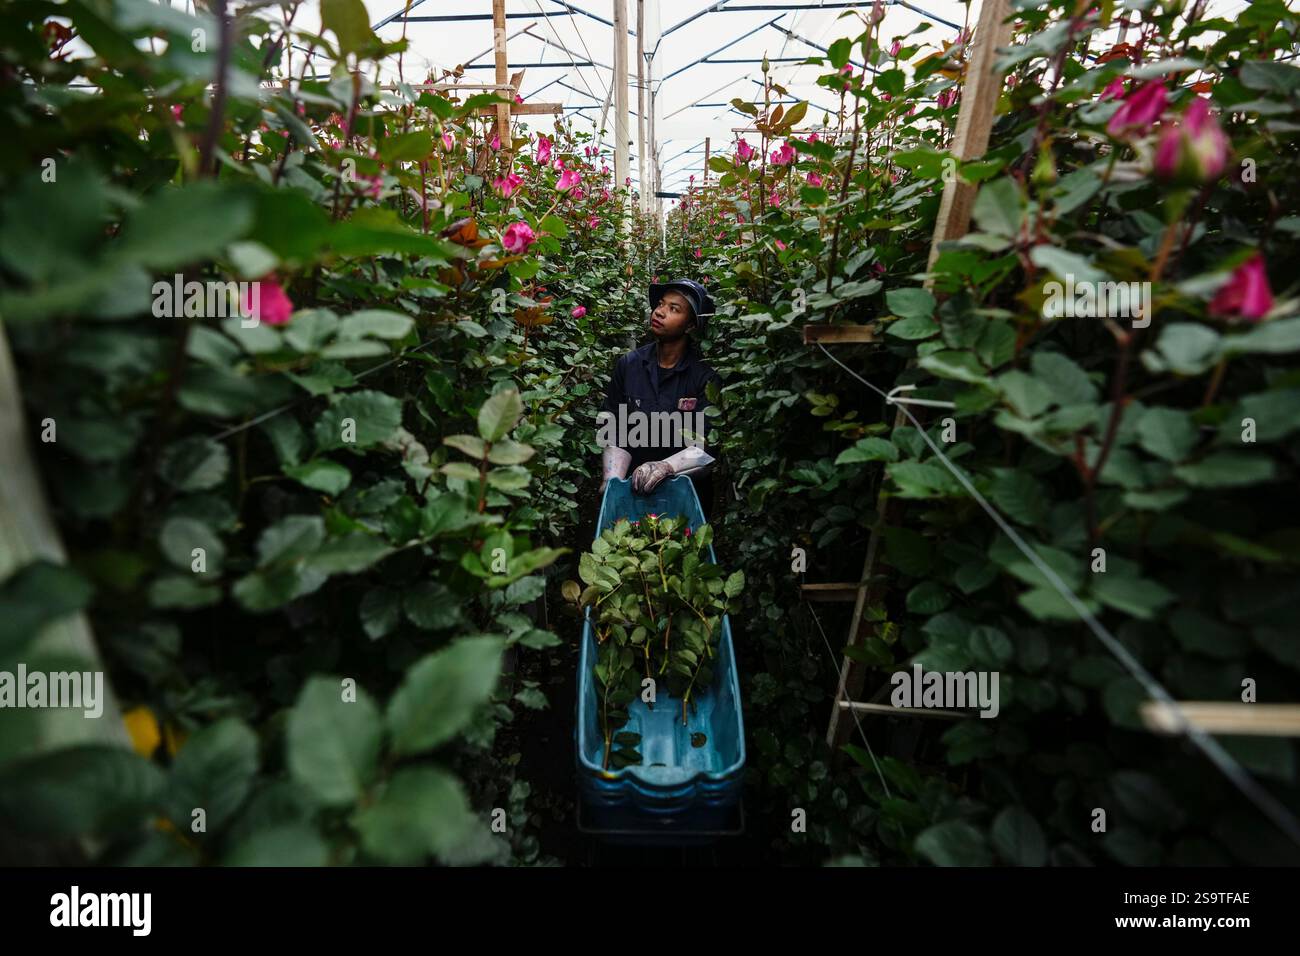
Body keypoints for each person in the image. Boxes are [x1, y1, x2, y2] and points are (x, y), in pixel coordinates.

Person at [598, 279, 719, 515]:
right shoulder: (629, 365)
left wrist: (665, 467)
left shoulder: (704, 377)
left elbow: (707, 445)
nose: (660, 312)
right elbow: (613, 426)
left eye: (674, 309)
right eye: (661, 304)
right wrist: (613, 480)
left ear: (691, 326)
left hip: (686, 495)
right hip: (632, 490)